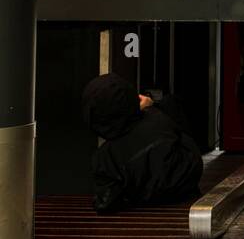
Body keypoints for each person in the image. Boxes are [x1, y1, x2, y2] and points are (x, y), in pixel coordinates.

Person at [81, 74, 203, 214]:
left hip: (135, 224)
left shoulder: (104, 158)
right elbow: (193, 160)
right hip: (186, 207)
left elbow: (106, 203)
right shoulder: (162, 120)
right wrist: (151, 109)